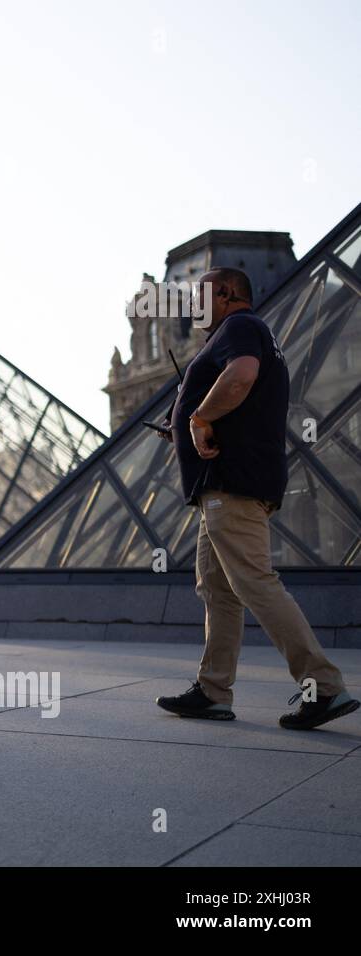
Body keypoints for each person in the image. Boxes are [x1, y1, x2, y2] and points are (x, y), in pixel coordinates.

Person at [154, 268, 356, 730]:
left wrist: (198, 419)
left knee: (254, 582)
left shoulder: (241, 327)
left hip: (233, 484)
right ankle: (212, 691)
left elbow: (241, 376)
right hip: (219, 486)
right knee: (217, 588)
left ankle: (323, 687)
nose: (192, 310)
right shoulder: (242, 332)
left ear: (226, 294)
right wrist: (185, 427)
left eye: (200, 298)